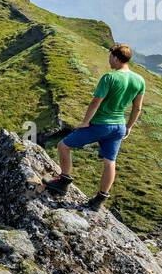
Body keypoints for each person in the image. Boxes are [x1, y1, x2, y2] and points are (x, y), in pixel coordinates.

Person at [44, 42, 145, 211]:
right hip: (118, 126)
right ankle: (100, 199)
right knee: (109, 162)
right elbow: (137, 107)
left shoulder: (110, 78)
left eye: (110, 56)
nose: (109, 60)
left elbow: (96, 102)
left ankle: (64, 181)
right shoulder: (139, 80)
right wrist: (129, 127)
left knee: (63, 146)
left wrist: (85, 122)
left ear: (115, 57)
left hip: (101, 124)